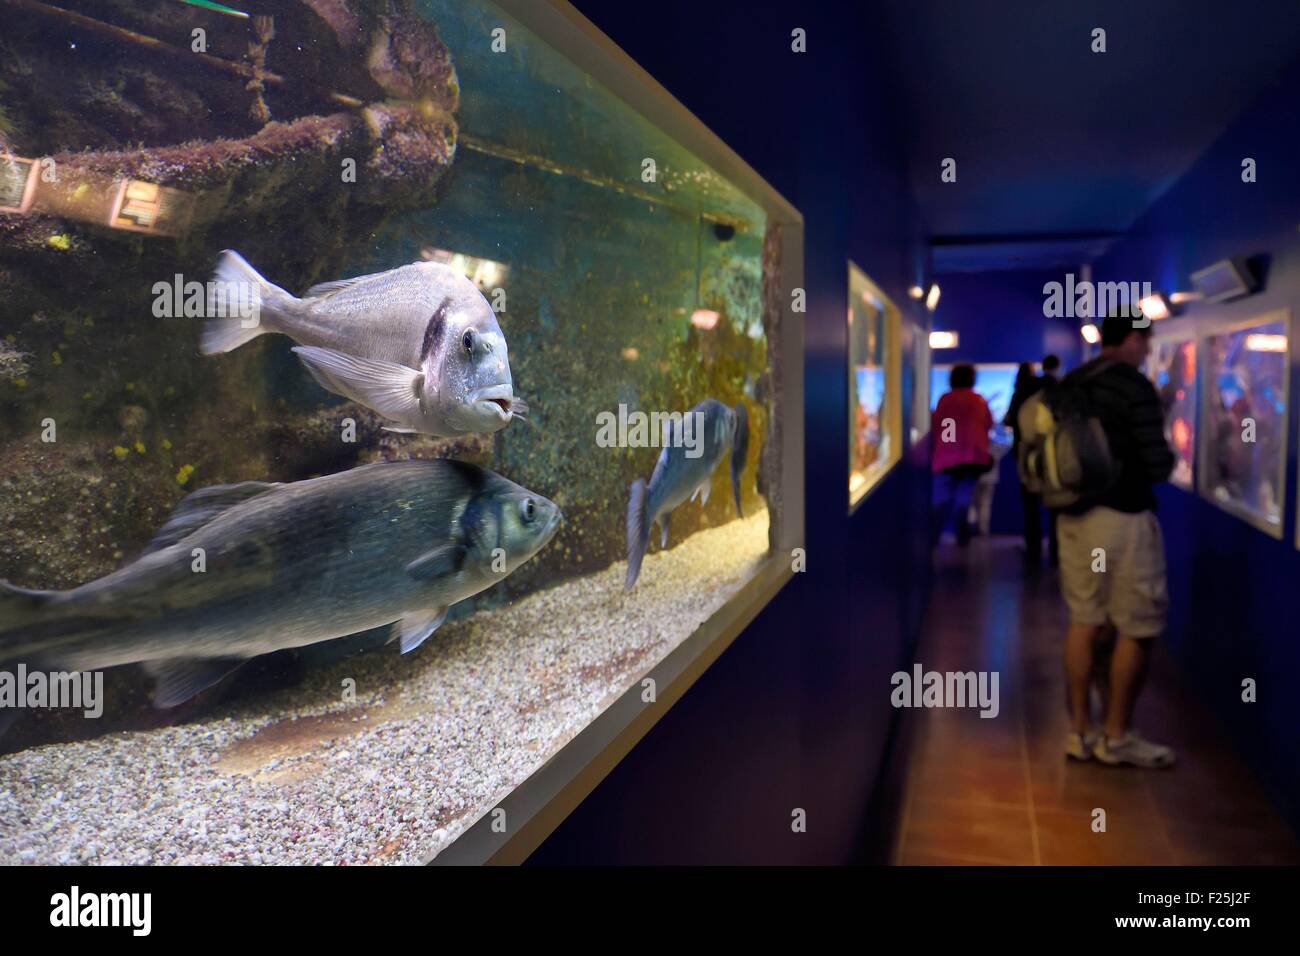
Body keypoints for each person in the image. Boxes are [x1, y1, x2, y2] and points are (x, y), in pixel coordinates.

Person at [1055, 315, 1176, 768]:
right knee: (1136, 623)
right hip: (1121, 521)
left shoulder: (1072, 380)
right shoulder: (1133, 386)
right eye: (1146, 340)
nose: (1147, 349)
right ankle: (1117, 735)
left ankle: (1078, 731)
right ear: (1130, 339)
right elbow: (1158, 464)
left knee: (1084, 620)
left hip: (1072, 520)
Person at [1006, 355, 1062, 565]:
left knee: (1031, 505)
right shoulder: (1059, 389)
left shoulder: (1022, 392)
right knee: (1056, 506)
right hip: (1055, 457)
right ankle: (1056, 553)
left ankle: (1033, 550)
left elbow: (1011, 419)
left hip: (1026, 457)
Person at [931, 363, 993, 547]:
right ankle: (962, 539)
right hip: (971, 459)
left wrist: (949, 443)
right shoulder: (978, 401)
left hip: (946, 458)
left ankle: (933, 538)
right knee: (963, 500)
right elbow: (987, 424)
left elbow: (941, 426)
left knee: (940, 500)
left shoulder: (946, 400)